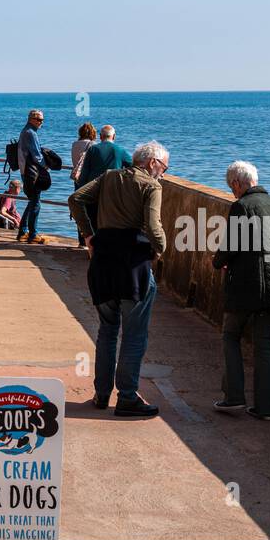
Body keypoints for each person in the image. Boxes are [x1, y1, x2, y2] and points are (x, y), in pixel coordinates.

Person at [69, 141, 170, 417]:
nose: (163, 173)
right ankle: (127, 396)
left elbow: (76, 198)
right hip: (133, 265)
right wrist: (161, 248)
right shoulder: (151, 186)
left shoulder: (109, 177)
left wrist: (89, 235)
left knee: (107, 330)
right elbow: (152, 225)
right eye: (163, 167)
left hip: (102, 261)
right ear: (151, 164)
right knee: (134, 335)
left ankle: (101, 394)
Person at [212, 160, 270, 421]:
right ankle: (267, 408)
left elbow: (232, 245)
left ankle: (234, 398)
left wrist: (217, 262)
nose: (232, 192)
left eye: (231, 187)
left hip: (247, 287)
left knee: (230, 335)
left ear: (238, 183)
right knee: (263, 345)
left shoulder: (241, 206)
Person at [16, 108, 46, 243]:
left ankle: (23, 231)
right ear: (31, 119)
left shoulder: (26, 131)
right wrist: (46, 167)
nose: (41, 122)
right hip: (32, 173)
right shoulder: (30, 133)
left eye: (42, 120)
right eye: (38, 119)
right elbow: (37, 156)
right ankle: (33, 235)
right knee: (36, 203)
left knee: (32, 201)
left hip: (25, 171)